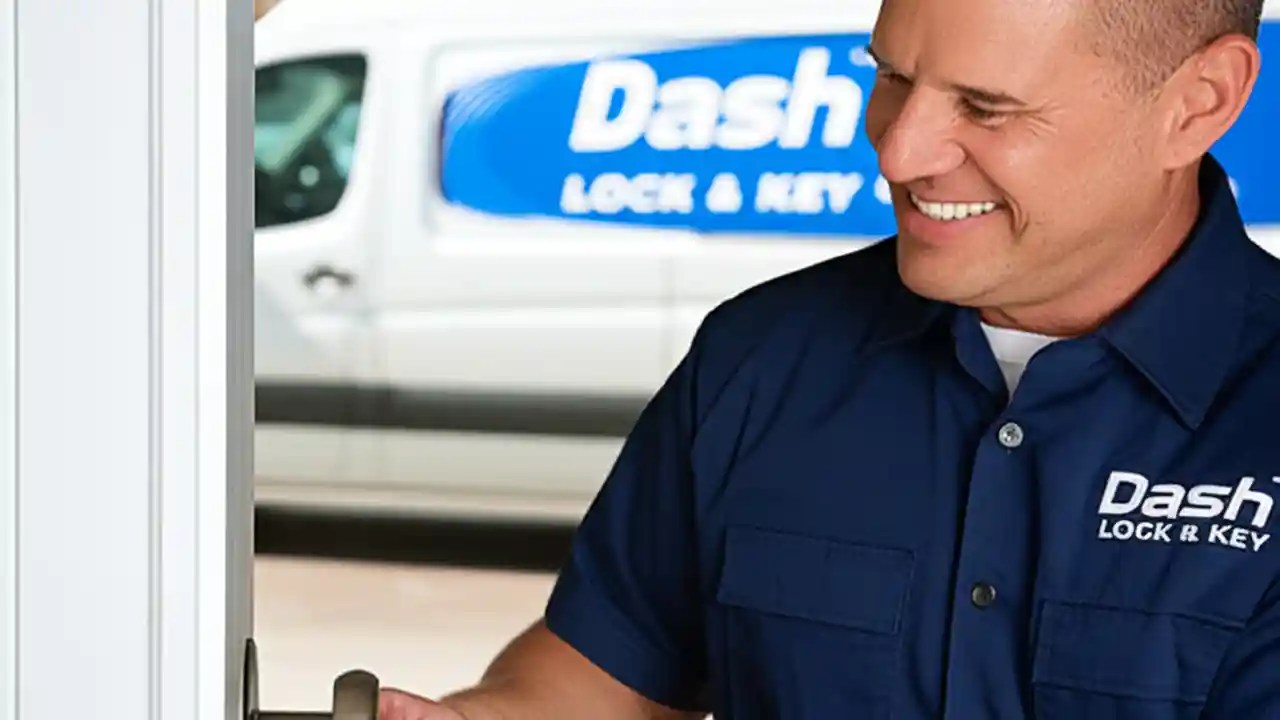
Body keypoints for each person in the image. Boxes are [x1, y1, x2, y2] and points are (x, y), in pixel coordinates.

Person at [381, 0, 1280, 716]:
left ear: (1199, 103)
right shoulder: (763, 357)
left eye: (985, 108)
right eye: (891, 76)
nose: (898, 149)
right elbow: (604, 678)